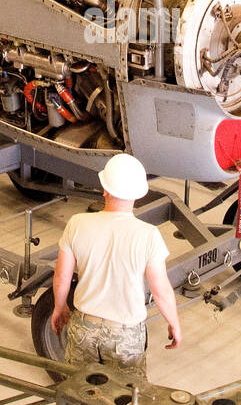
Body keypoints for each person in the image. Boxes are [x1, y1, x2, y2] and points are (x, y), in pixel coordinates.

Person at [50, 153, 182, 380]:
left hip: (84, 326)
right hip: (126, 334)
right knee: (126, 403)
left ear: (104, 189)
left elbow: (62, 277)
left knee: (78, 396)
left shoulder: (77, 224)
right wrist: (174, 323)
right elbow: (161, 292)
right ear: (139, 195)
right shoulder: (148, 235)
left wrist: (59, 308)